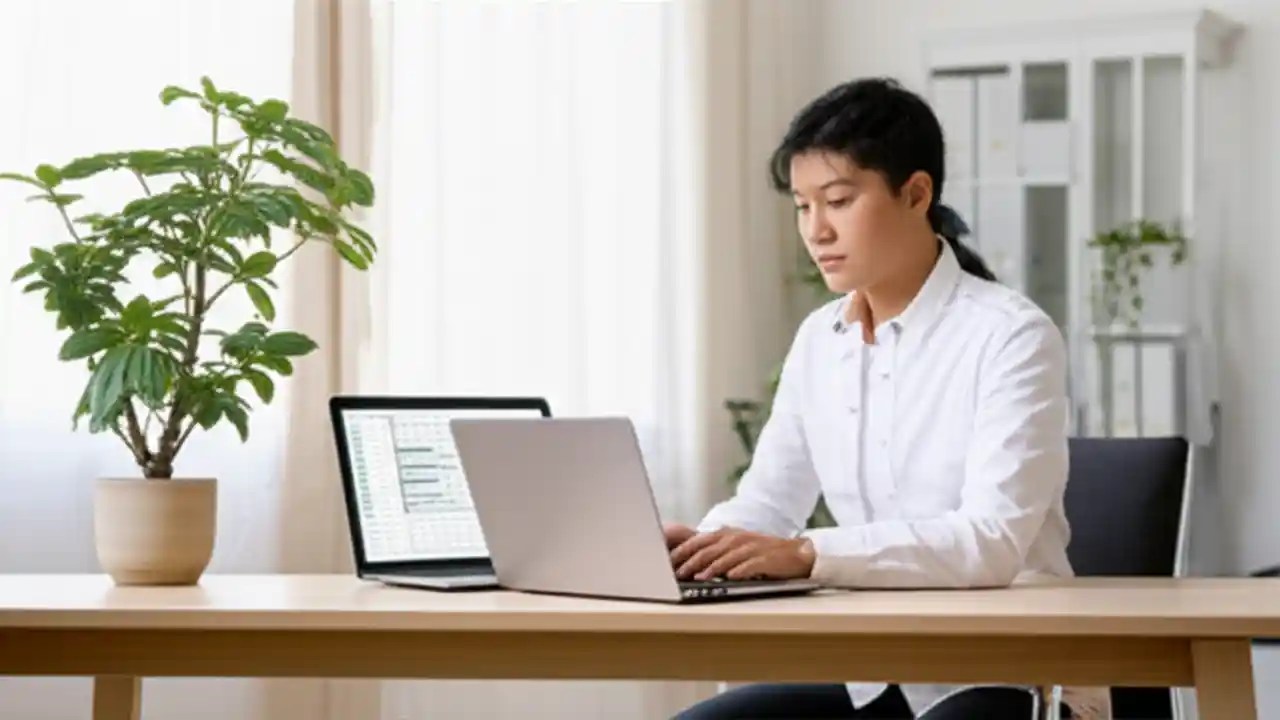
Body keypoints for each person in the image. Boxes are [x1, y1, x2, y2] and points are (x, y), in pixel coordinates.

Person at [666, 77, 1076, 719]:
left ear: (916, 193)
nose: (816, 230)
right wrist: (693, 551)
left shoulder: (1011, 336)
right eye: (802, 206)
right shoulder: (819, 341)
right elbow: (768, 503)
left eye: (837, 200)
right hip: (877, 671)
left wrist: (807, 553)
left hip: (1004, 672)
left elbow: (991, 541)